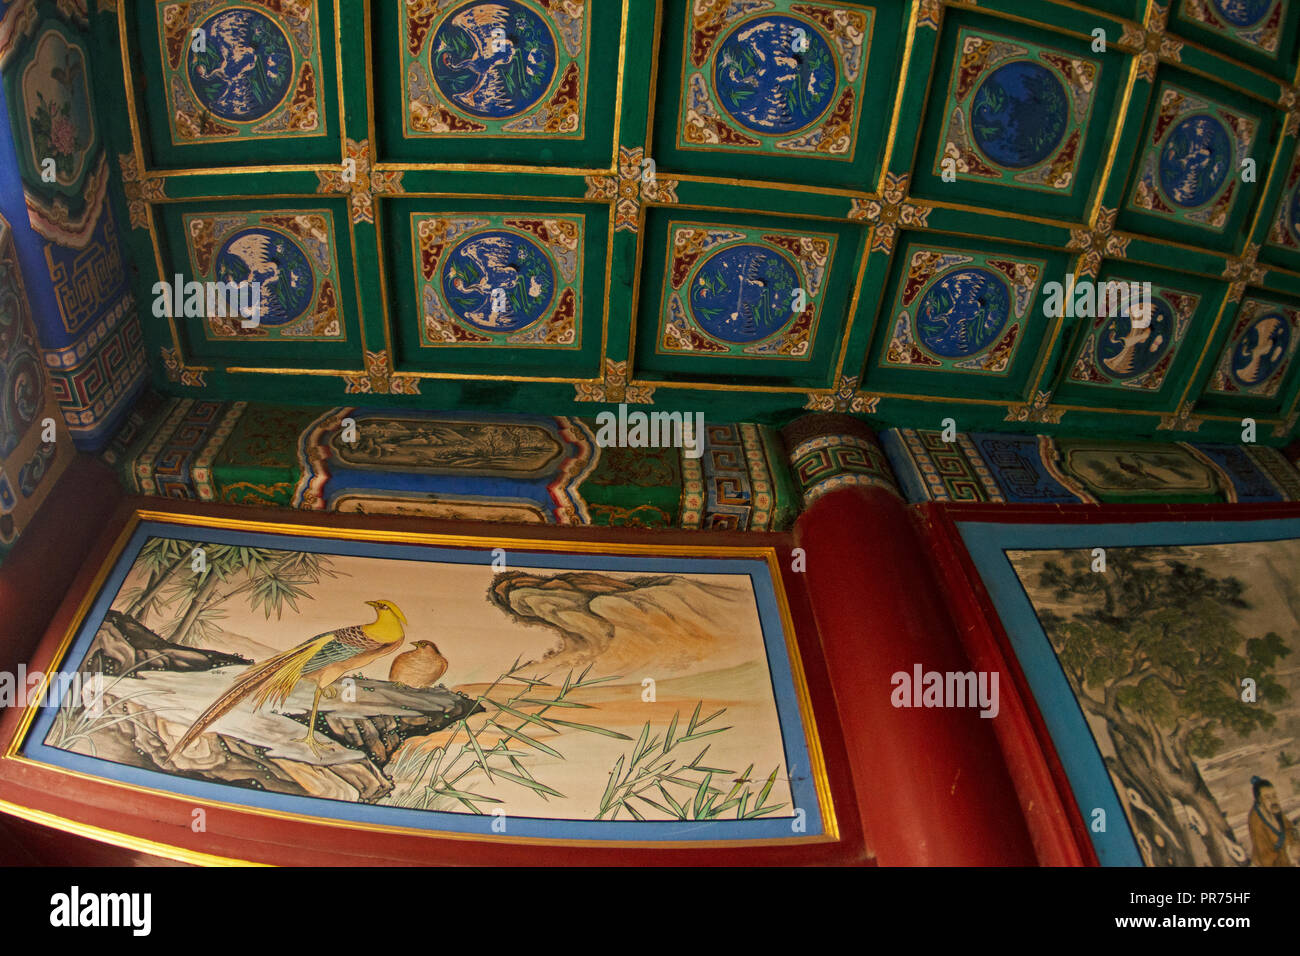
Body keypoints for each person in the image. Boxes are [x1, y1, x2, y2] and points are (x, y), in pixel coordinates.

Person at [1248, 776, 1300, 866]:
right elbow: (1265, 858)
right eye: (1267, 797)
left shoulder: (1274, 809)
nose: (1273, 800)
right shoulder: (1256, 822)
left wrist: (1294, 844)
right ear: (1260, 800)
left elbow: (1289, 828)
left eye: (1274, 796)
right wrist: (1289, 853)